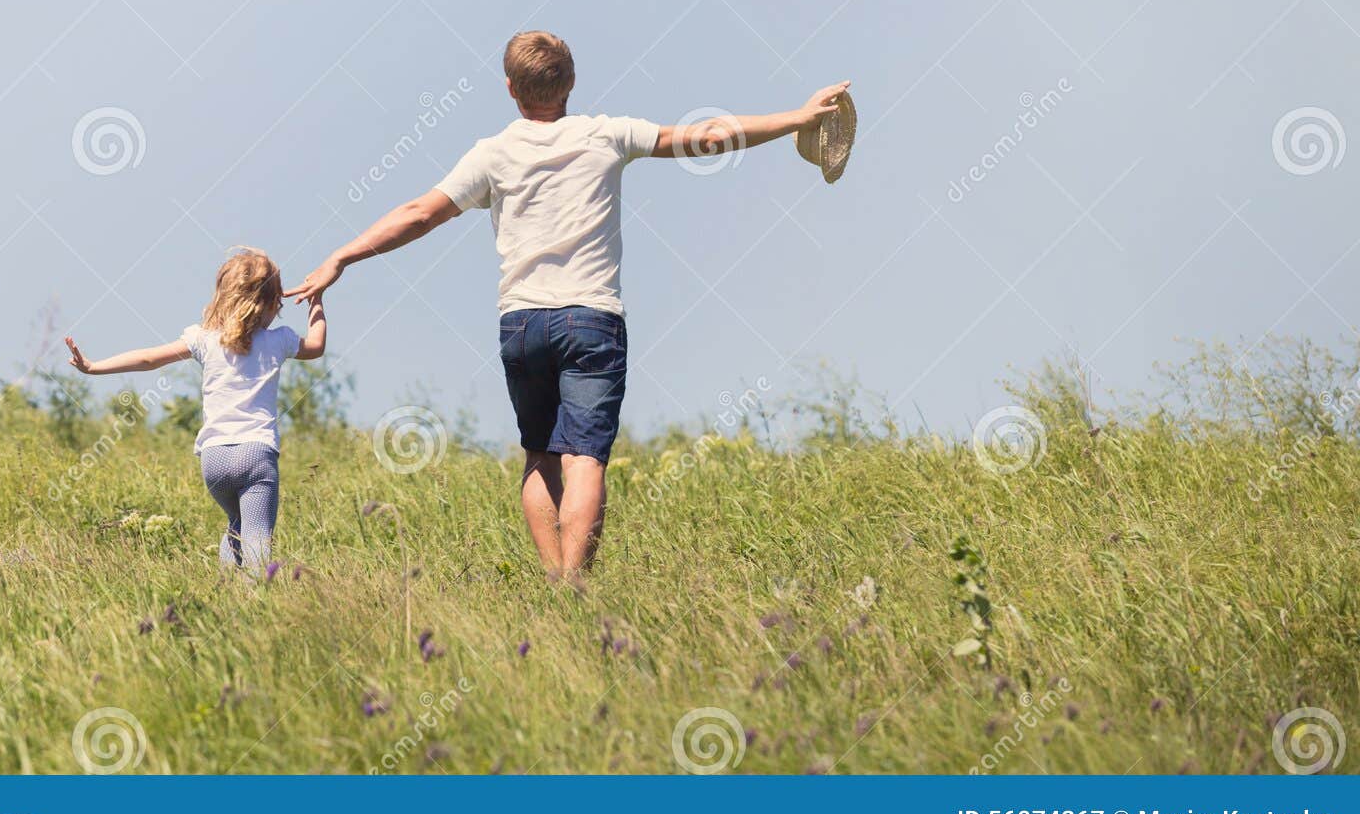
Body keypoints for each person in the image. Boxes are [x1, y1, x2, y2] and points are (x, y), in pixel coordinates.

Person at [287, 30, 849, 578]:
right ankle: (572, 582)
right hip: (593, 319)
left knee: (539, 455)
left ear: (511, 89)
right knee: (586, 458)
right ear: (572, 83)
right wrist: (796, 120)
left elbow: (418, 214)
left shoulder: (493, 155)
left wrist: (341, 256)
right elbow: (706, 136)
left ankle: (555, 582)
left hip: (522, 323)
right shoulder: (607, 134)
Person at [65, 247, 326, 576]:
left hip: (214, 459)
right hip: (256, 452)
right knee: (258, 534)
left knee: (236, 525)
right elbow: (316, 346)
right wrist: (317, 299)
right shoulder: (280, 340)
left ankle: (227, 592)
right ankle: (257, 601)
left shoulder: (204, 339)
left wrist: (93, 367)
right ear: (273, 303)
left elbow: (149, 359)